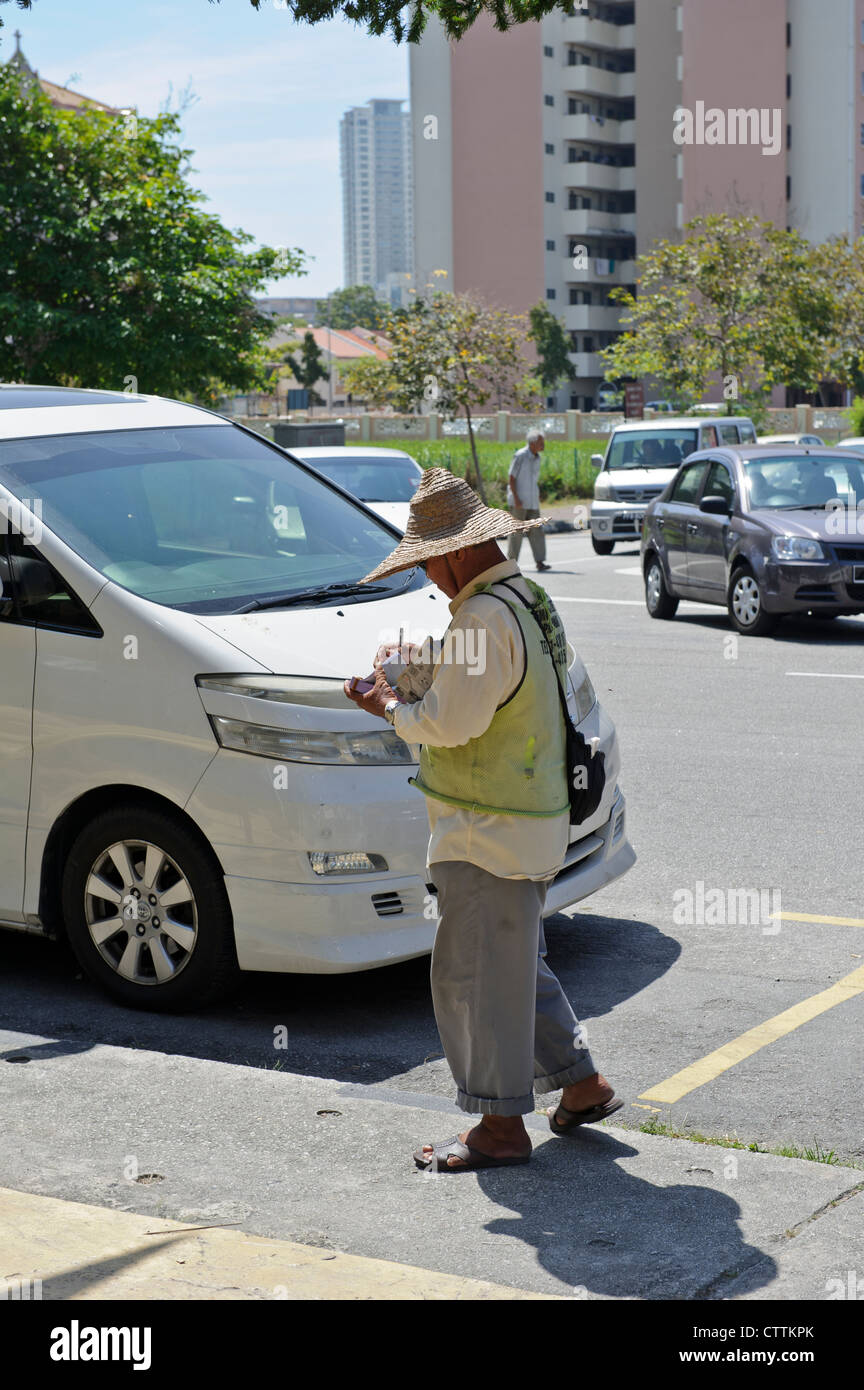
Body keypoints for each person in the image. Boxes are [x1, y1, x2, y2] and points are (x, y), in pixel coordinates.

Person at [344, 467, 622, 1173]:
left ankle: (499, 1128)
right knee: (513, 964)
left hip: (486, 830)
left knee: (472, 976)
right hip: (532, 819)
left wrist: (386, 705)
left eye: (429, 562)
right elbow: (491, 687)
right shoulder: (526, 598)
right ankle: (581, 1084)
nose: (431, 577)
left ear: (458, 553)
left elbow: (449, 720)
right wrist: (421, 669)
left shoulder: (480, 617)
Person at [507, 430, 550, 572]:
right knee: (516, 533)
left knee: (537, 530)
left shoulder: (537, 458)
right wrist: (516, 498)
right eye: (540, 442)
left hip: (532, 501)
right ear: (532, 443)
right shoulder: (520, 456)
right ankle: (511, 565)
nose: (543, 445)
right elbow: (511, 478)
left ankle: (540, 561)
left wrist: (536, 495)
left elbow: (533, 480)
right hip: (519, 501)